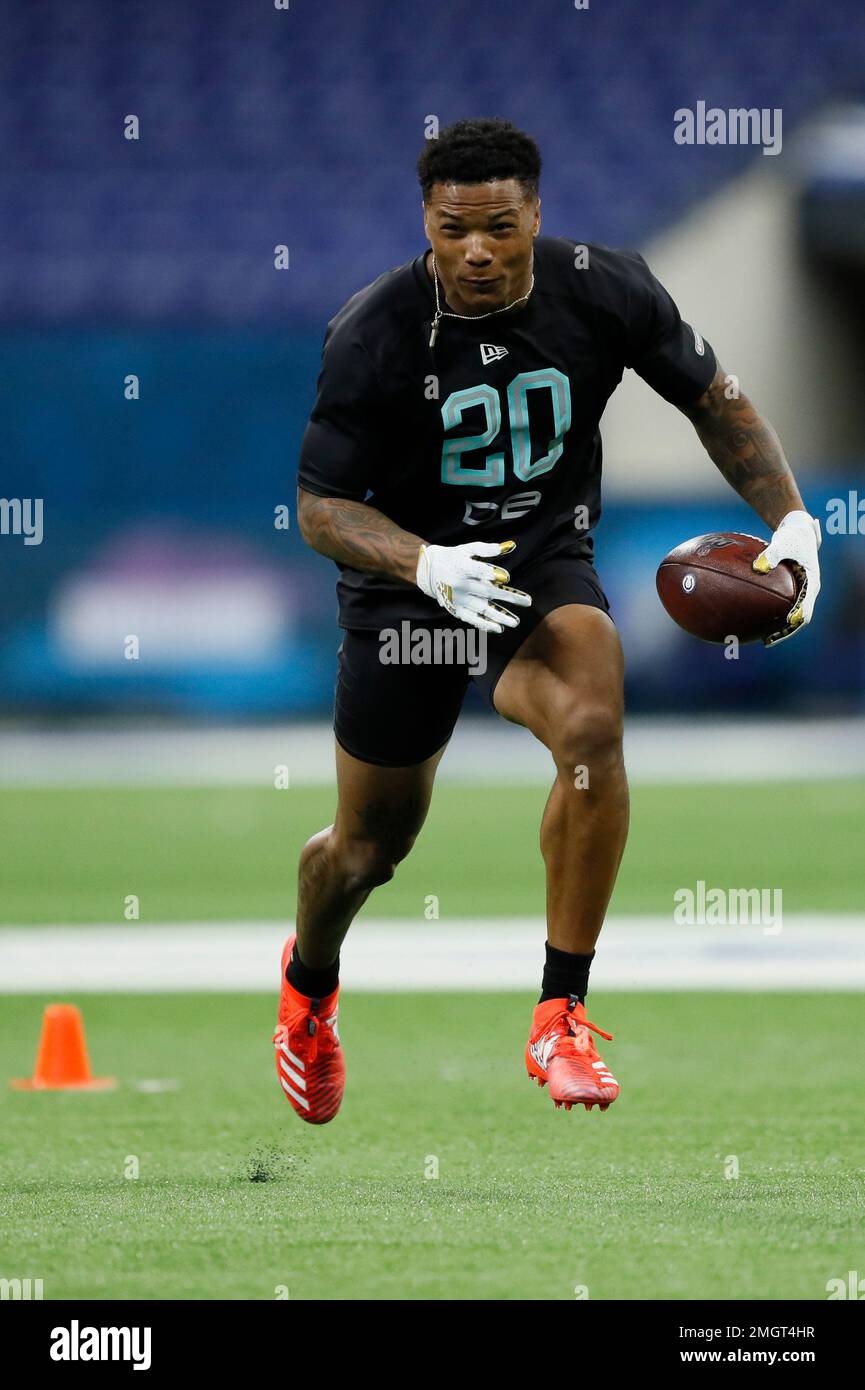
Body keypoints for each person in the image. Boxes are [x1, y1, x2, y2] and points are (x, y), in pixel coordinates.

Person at [273, 117, 821, 1124]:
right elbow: (321, 507)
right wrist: (423, 561)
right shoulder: (375, 329)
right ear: (426, 224)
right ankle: (308, 988)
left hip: (537, 562)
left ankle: (559, 1011)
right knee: (367, 848)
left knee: (591, 723)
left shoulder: (604, 287)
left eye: (498, 227)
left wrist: (789, 520)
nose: (476, 251)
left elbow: (715, 397)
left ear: (535, 213)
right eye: (452, 230)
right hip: (410, 586)